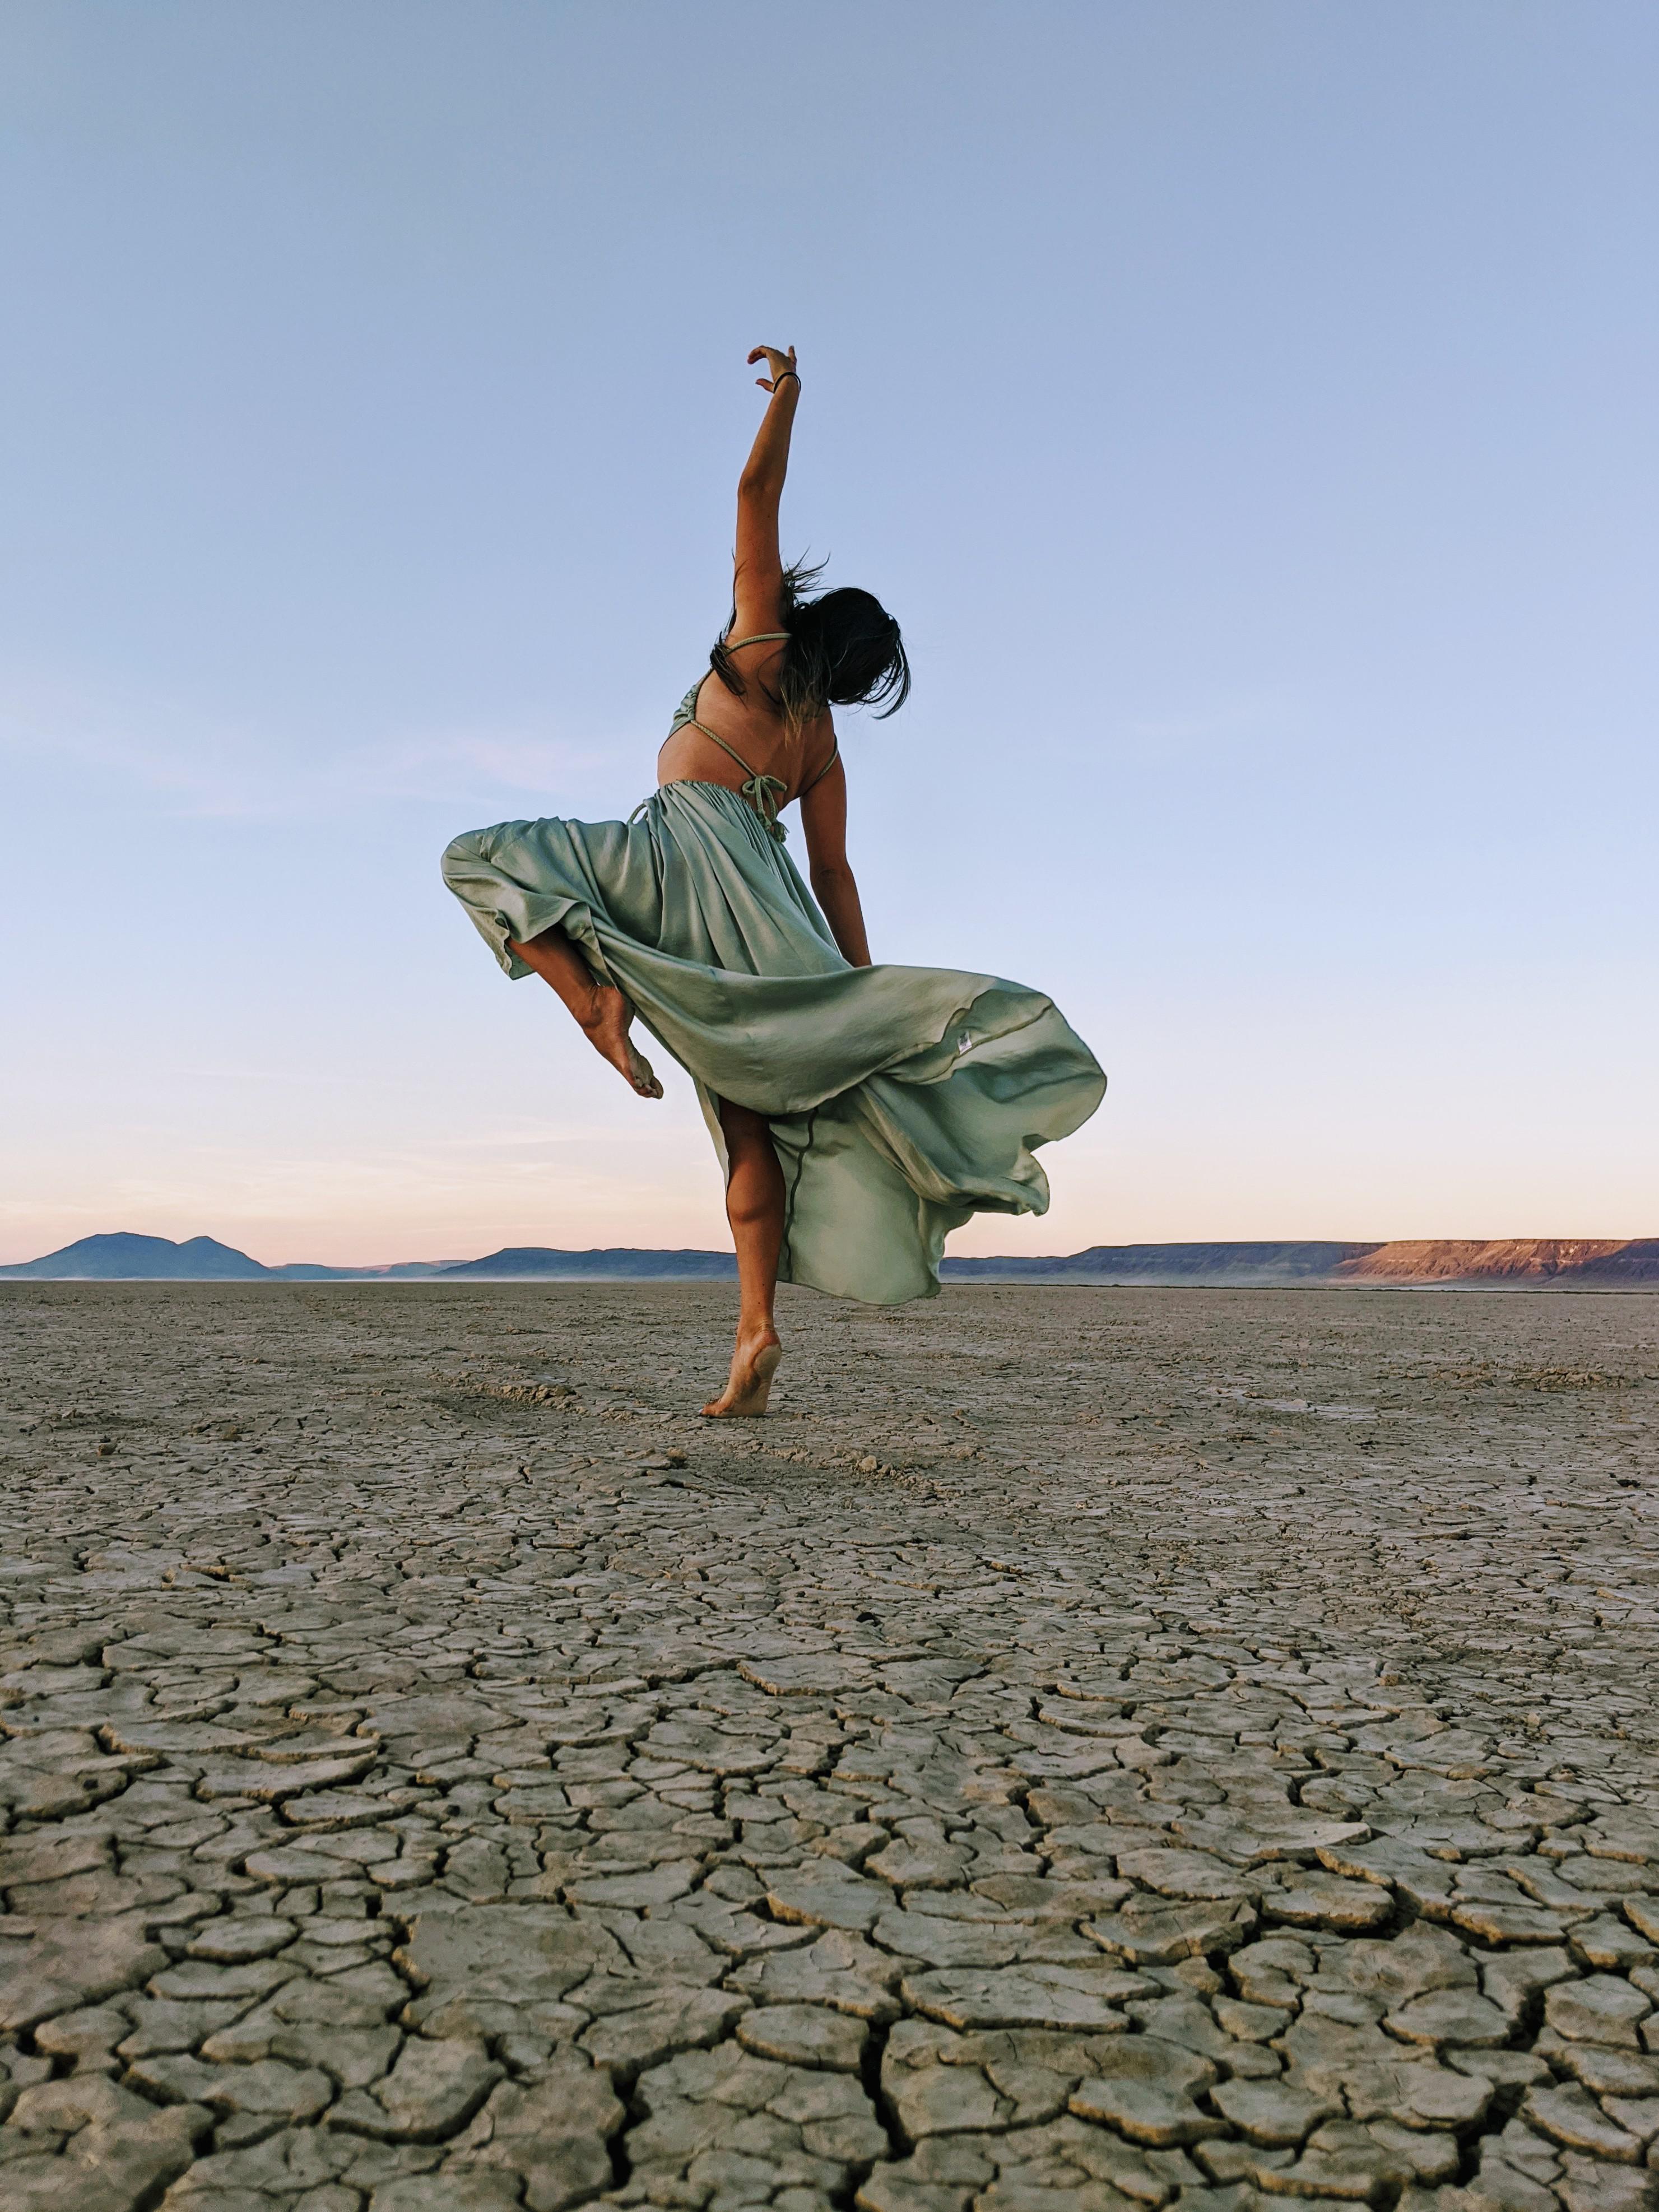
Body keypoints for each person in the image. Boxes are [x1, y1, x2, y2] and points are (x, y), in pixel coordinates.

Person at [443, 347, 1105, 1417]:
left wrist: (788, 400)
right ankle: (754, 1331)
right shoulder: (823, 746)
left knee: (482, 858)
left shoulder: (756, 647)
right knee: (750, 1123)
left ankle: (590, 1001)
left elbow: (753, 494)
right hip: (763, 915)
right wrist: (860, 997)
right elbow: (834, 872)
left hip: (667, 860)